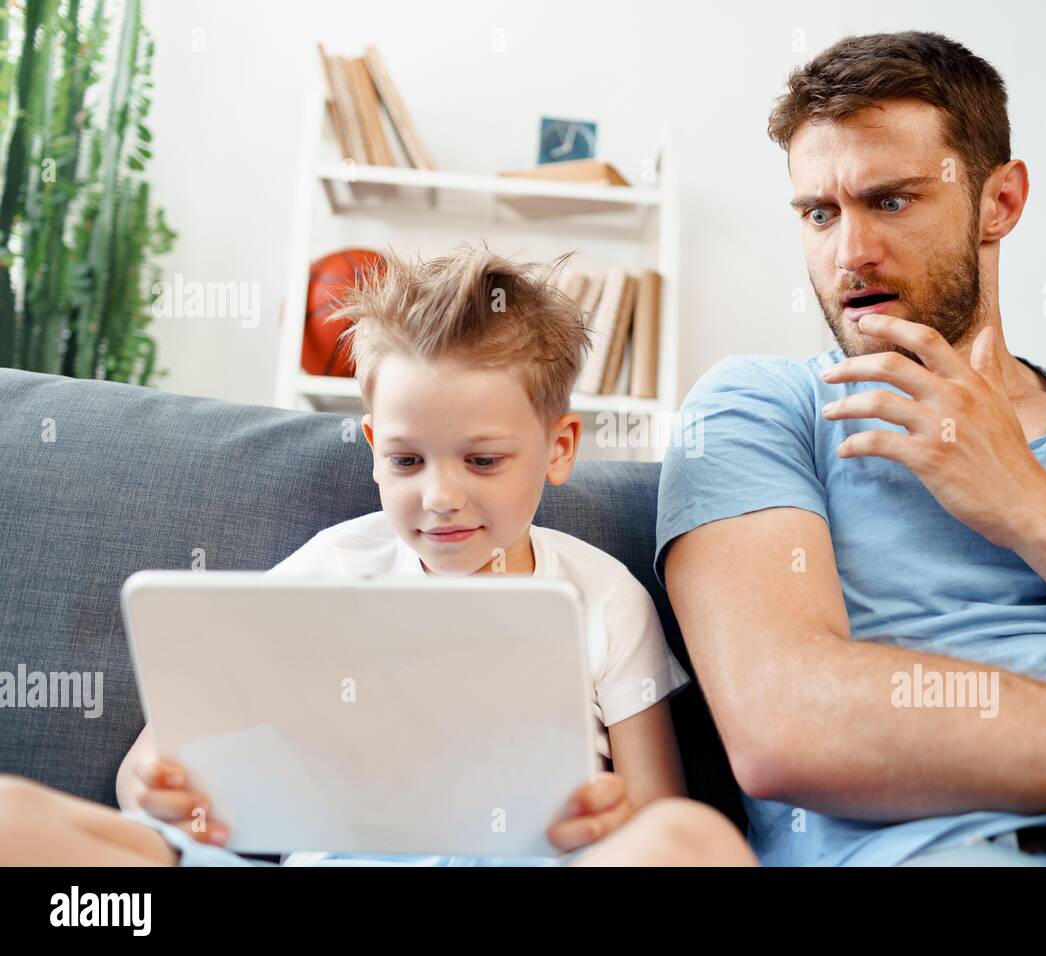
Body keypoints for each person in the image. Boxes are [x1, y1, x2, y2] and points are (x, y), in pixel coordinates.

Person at [656, 30, 1046, 866]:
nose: (850, 254)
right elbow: (789, 724)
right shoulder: (758, 409)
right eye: (820, 213)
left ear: (1000, 202)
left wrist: (1031, 504)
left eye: (890, 201)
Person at [0, 246, 756, 867]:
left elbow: (659, 816)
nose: (440, 497)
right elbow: (147, 772)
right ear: (372, 450)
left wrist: (600, 825)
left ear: (558, 449)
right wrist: (171, 800)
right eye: (406, 462)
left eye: (483, 461)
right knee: (14, 816)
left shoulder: (602, 597)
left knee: (694, 844)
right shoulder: (332, 565)